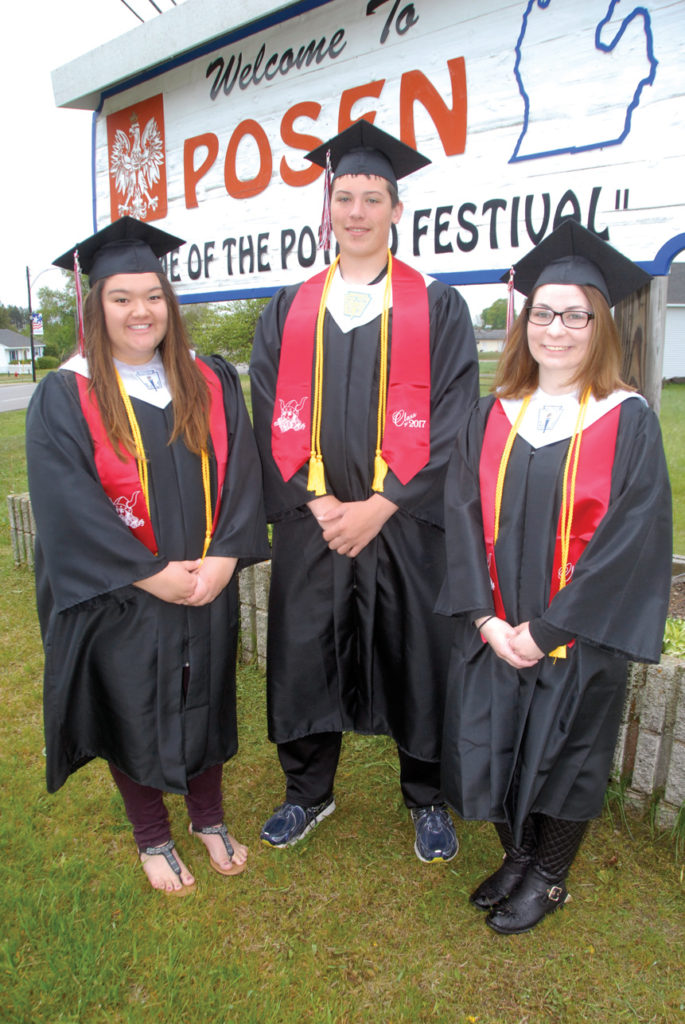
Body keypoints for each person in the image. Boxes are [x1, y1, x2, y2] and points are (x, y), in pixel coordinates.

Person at [249, 121, 479, 861]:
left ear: (394, 211)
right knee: (305, 649)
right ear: (328, 209)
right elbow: (267, 410)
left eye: (371, 198)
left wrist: (382, 505)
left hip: (403, 524)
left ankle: (426, 798)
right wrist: (320, 507)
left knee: (415, 654)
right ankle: (306, 793)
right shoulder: (289, 308)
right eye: (342, 197)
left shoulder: (435, 306)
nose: (355, 211)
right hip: (314, 522)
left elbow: (452, 416)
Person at [436, 221, 672, 933]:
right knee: (500, 738)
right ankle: (516, 855)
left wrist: (545, 631)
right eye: (543, 313)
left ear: (600, 325)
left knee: (568, 751)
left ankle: (547, 873)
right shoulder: (490, 414)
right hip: (496, 627)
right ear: (523, 322)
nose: (557, 330)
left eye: (575, 315)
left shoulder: (626, 420)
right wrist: (483, 618)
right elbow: (457, 515)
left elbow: (630, 541)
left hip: (575, 634)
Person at [26, 217, 270, 895]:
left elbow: (243, 472)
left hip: (205, 581)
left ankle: (208, 817)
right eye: (122, 298)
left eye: (153, 296)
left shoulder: (208, 380)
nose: (141, 312)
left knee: (207, 693)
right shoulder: (64, 394)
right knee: (133, 702)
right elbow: (65, 505)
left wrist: (224, 557)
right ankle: (151, 834)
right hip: (124, 593)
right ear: (95, 307)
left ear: (171, 302)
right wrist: (149, 573)